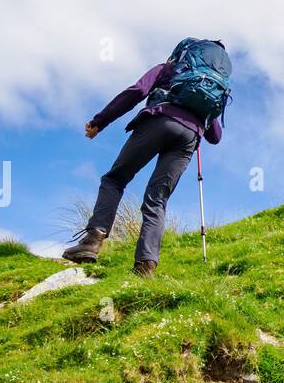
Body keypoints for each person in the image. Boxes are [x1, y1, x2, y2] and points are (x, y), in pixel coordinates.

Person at [63, 39, 231, 277]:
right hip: (189, 138)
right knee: (157, 199)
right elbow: (215, 136)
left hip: (157, 121)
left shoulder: (168, 69)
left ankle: (92, 242)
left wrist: (100, 121)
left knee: (115, 179)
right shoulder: (213, 88)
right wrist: (200, 115)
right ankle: (145, 266)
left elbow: (137, 92)